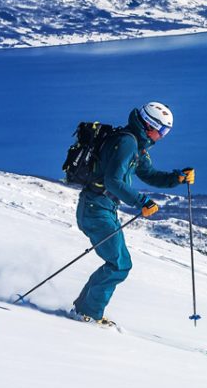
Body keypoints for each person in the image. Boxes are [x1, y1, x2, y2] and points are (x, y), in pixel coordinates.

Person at [71, 101, 194, 326]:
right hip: (95, 208)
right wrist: (141, 201)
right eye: (162, 130)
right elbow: (113, 181)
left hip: (104, 208)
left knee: (119, 263)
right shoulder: (127, 142)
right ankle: (87, 314)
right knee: (119, 265)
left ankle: (84, 310)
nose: (163, 136)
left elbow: (149, 174)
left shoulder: (137, 145)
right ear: (149, 124)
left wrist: (176, 178)